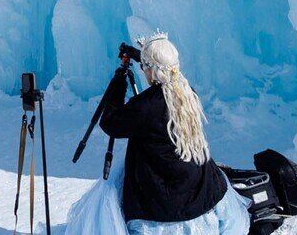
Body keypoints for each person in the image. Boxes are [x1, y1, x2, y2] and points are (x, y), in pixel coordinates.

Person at [65, 32, 249, 235]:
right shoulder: (187, 93)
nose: (143, 71)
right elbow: (165, 71)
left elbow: (110, 124)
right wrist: (140, 56)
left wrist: (119, 84)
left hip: (165, 202)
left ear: (152, 69)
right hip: (199, 189)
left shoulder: (147, 106)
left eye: (145, 67)